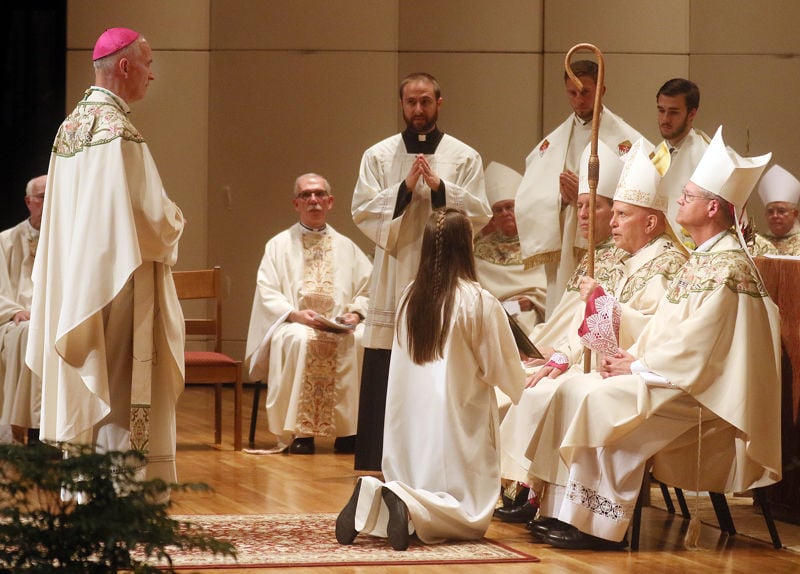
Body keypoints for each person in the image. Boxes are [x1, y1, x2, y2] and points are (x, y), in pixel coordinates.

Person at [525, 127, 780, 550]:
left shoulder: (727, 266)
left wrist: (637, 365)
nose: (679, 198)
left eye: (689, 196)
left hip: (700, 392)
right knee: (580, 388)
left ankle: (601, 528)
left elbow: (697, 348)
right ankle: (568, 513)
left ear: (712, 207)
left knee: (600, 399)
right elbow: (667, 328)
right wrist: (630, 353)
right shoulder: (704, 258)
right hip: (675, 376)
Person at [495, 139, 688, 524]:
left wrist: (606, 305)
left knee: (560, 392)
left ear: (651, 222)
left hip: (634, 373)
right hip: (599, 364)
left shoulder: (668, 263)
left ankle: (571, 510)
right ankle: (533, 494)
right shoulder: (623, 259)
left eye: (621, 214)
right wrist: (566, 352)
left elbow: (654, 329)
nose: (611, 223)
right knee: (535, 388)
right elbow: (591, 328)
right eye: (612, 213)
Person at [26, 28, 185, 485]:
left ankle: (88, 486)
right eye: (148, 64)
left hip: (80, 284)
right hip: (119, 286)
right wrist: (176, 219)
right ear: (124, 66)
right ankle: (125, 490)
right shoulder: (119, 131)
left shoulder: (69, 128)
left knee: (95, 388)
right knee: (120, 392)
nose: (152, 75)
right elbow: (146, 217)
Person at [335, 208, 525, 550]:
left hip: (407, 427)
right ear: (466, 247)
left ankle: (377, 493)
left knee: (419, 488)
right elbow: (502, 370)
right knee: (470, 517)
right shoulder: (477, 301)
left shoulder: (410, 296)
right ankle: (403, 502)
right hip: (454, 427)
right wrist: (526, 375)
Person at [351, 72, 491, 471]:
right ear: (401, 104)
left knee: (438, 355)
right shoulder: (378, 156)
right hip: (394, 271)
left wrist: (442, 188)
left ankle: (434, 455)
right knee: (387, 354)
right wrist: (404, 190)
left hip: (443, 272)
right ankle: (379, 457)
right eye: (411, 102)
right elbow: (361, 210)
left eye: (425, 101)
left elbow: (479, 213)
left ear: (439, 103)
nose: (418, 109)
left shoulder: (464, 157)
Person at [244, 173, 372, 455]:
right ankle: (302, 434)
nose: (313, 200)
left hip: (338, 324)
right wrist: (294, 314)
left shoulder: (348, 247)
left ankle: (348, 432)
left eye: (319, 194)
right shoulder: (278, 245)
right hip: (296, 323)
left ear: (330, 201)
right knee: (301, 340)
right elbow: (267, 290)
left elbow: (368, 288)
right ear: (296, 203)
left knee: (359, 340)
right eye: (306, 195)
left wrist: (355, 314)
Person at [515, 60, 644, 319]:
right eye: (572, 93)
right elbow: (527, 197)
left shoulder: (626, 138)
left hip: (608, 239)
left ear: (601, 91)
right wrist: (560, 199)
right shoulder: (552, 143)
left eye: (586, 92)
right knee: (564, 307)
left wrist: (593, 197)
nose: (579, 100)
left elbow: (639, 190)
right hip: (566, 241)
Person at [473, 162, 546, 333]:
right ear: (493, 216)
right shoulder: (479, 247)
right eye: (498, 210)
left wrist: (533, 301)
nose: (505, 213)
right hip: (491, 317)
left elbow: (552, 290)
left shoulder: (540, 244)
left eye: (509, 207)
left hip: (529, 315)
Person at [0, 176, 46, 445]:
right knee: (31, 334)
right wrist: (15, 310)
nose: (49, 204)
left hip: (54, 319)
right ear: (29, 202)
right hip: (13, 321)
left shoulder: (70, 241)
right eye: (43, 197)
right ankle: (32, 430)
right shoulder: (6, 240)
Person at [651, 78, 710, 248]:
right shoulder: (655, 154)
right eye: (661, 110)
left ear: (692, 114)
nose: (665, 119)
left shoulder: (706, 156)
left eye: (674, 112)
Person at [752, 164, 800, 255]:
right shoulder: (759, 244)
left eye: (781, 211)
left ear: (795, 213)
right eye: (770, 211)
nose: (775, 216)